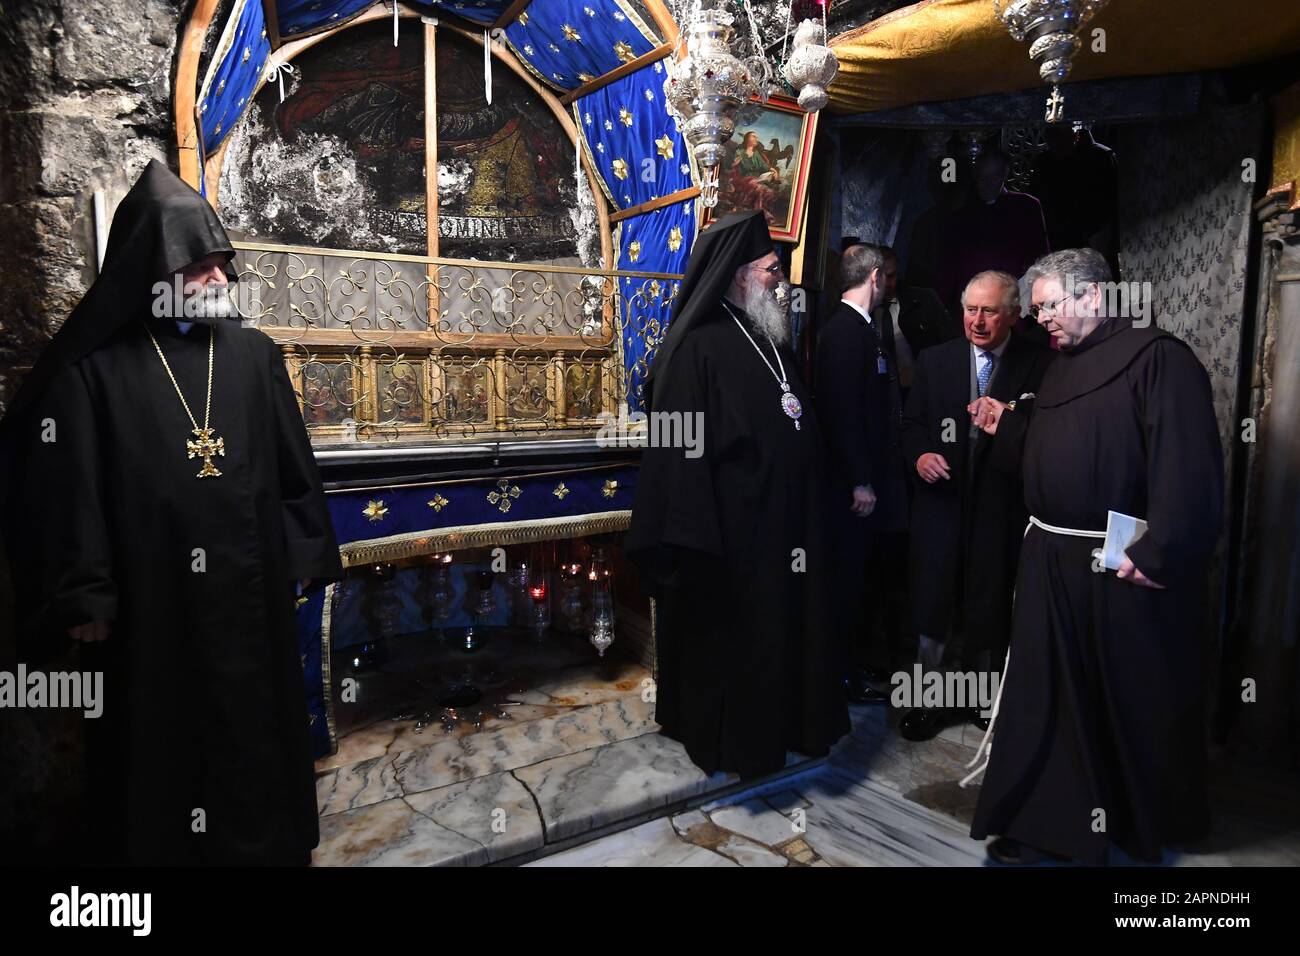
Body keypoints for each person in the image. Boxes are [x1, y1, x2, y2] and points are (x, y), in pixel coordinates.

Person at [0, 160, 342, 865]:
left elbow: (291, 467)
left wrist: (303, 554)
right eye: (201, 269)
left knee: (254, 729)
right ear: (152, 276)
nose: (220, 281)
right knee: (162, 736)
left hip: (251, 595)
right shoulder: (92, 372)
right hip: (154, 599)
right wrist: (85, 591)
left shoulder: (252, 355)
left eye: (222, 266)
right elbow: (72, 491)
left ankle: (267, 847)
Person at [965, 248, 1224, 865]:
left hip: (1119, 568)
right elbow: (1058, 448)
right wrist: (1011, 426)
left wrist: (1162, 552)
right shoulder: (1059, 367)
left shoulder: (1157, 357)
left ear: (1094, 296)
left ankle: (1130, 818)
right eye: (1036, 311)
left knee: (1118, 699)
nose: (1041, 320)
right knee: (1048, 697)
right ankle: (1048, 824)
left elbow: (1188, 465)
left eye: (1049, 306)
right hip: (1049, 558)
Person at [625, 211, 849, 779]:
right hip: (731, 539)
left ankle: (794, 726)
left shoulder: (771, 339)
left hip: (790, 529)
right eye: (773, 269)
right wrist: (698, 539)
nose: (781, 281)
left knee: (789, 636)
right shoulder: (695, 351)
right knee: (741, 646)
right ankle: (738, 743)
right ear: (738, 272)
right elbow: (676, 460)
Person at [897, 271, 1053, 741]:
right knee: (933, 609)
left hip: (1000, 509)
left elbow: (1044, 438)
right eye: (970, 310)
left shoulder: (1040, 364)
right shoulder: (935, 359)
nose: (977, 321)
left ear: (1012, 314)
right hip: (941, 509)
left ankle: (984, 703)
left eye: (989, 311)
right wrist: (920, 455)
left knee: (989, 606)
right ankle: (927, 703)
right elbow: (911, 424)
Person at [815, 243, 909, 703]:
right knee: (847, 582)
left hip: (873, 480)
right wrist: (859, 479)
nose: (890, 284)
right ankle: (840, 677)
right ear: (875, 275)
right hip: (853, 487)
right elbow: (841, 414)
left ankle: (854, 668)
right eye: (886, 277)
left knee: (864, 580)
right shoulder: (842, 333)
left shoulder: (865, 328)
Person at [934, 146, 1050, 333]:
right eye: (982, 177)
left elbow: (1040, 261)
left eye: (994, 177)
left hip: (1013, 309)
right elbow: (947, 269)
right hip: (970, 311)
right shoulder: (959, 217)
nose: (987, 184)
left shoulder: (1026, 207)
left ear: (1005, 174)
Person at [872, 246, 960, 396]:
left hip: (924, 389)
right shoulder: (865, 310)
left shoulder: (923, 301)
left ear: (898, 273)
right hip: (882, 394)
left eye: (891, 276)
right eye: (881, 276)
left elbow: (950, 343)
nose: (886, 283)